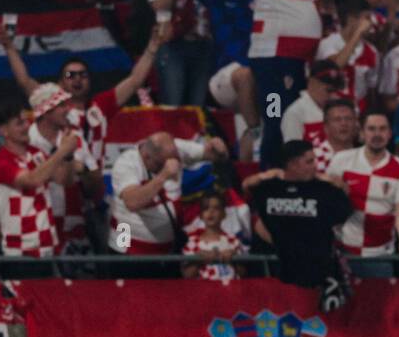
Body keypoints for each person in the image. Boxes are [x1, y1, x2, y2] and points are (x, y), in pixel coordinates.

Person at [245, 0, 363, 169]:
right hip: (274, 59)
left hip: (300, 61)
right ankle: (270, 176)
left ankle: (294, 172)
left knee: (293, 120)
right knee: (274, 118)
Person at [0, 23, 167, 170]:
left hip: (93, 181)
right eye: (71, 75)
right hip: (64, 179)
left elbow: (135, 80)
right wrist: (9, 48)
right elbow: (25, 80)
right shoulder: (50, 104)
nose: (77, 79)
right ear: (60, 82)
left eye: (83, 75)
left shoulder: (101, 105)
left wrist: (152, 47)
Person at [174, 0, 259, 159]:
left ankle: (250, 154)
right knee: (244, 74)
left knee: (249, 151)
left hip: (256, 81)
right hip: (223, 80)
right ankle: (257, 131)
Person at [246, 139, 352, 288]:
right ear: (292, 164)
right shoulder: (269, 188)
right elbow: (247, 186)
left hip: (318, 274)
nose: (315, 166)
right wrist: (266, 175)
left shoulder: (324, 189)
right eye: (309, 162)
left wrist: (338, 185)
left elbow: (342, 212)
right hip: (278, 272)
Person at [108, 129, 228, 258]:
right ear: (147, 157)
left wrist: (220, 149)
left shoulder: (173, 150)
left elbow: (217, 156)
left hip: (166, 248)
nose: (171, 164)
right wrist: (163, 175)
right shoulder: (126, 163)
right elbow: (132, 203)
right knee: (123, 261)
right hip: (125, 241)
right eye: (162, 163)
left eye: (173, 159)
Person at [0, 103, 79, 262]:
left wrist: (68, 157)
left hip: (49, 248)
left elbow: (64, 180)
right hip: (20, 254)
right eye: (20, 123)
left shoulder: (36, 153)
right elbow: (32, 180)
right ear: (3, 131)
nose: (27, 126)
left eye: (26, 120)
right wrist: (62, 151)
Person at [325, 110, 399, 258]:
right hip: (342, 250)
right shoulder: (341, 160)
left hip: (380, 253)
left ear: (389, 133)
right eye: (371, 129)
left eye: (382, 129)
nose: (377, 134)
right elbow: (327, 200)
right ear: (361, 133)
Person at [25, 83, 96, 256]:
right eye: (62, 106)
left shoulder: (75, 137)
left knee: (84, 281)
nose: (69, 110)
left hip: (74, 227)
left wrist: (85, 172)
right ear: (46, 111)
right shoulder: (25, 141)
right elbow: (62, 180)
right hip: (36, 229)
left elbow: (93, 185)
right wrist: (67, 156)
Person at [315, 0, 380, 114]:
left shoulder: (372, 51)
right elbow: (336, 66)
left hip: (359, 113)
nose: (371, 23)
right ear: (351, 18)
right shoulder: (328, 44)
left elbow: (372, 90)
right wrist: (358, 32)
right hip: (329, 111)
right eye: (367, 18)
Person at [182, 190, 244, 281]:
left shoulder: (233, 241)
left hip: (230, 292)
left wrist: (234, 258)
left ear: (224, 214)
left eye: (216, 208)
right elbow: (187, 275)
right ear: (200, 215)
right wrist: (198, 260)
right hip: (204, 293)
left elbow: (243, 273)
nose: (211, 212)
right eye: (206, 208)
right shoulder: (192, 242)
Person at [280, 60, 345, 146]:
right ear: (311, 83)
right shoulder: (295, 113)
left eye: (336, 90)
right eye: (329, 90)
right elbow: (295, 154)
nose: (333, 95)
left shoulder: (341, 108)